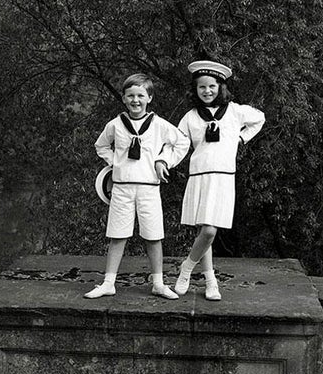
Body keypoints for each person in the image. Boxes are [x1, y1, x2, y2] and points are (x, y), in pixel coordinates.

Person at [85, 74, 190, 299]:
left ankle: (159, 283)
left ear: (149, 98)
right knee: (117, 235)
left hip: (149, 187)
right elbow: (101, 145)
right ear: (123, 98)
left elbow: (182, 142)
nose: (135, 100)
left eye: (141, 95)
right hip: (122, 188)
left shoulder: (159, 124)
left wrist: (164, 160)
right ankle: (108, 283)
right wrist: (115, 163)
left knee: (153, 236)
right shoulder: (115, 124)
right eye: (130, 96)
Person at [173, 60, 265, 300]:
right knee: (206, 230)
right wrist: (164, 162)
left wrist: (241, 139)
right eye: (201, 87)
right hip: (200, 176)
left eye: (211, 86)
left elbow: (260, 119)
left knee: (210, 230)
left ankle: (187, 268)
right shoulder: (190, 117)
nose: (207, 91)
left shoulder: (234, 111)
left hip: (223, 177)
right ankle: (210, 281)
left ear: (220, 86)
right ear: (195, 89)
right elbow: (179, 145)